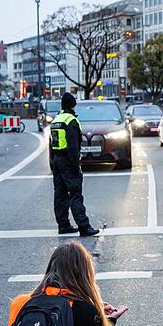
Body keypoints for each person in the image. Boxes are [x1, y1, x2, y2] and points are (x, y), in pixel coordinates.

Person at [50, 92, 99, 237]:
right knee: (75, 193)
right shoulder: (71, 121)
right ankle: (84, 226)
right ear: (73, 105)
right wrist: (76, 164)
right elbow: (73, 146)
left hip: (57, 160)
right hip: (67, 160)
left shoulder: (56, 120)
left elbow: (52, 143)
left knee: (60, 194)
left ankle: (63, 225)